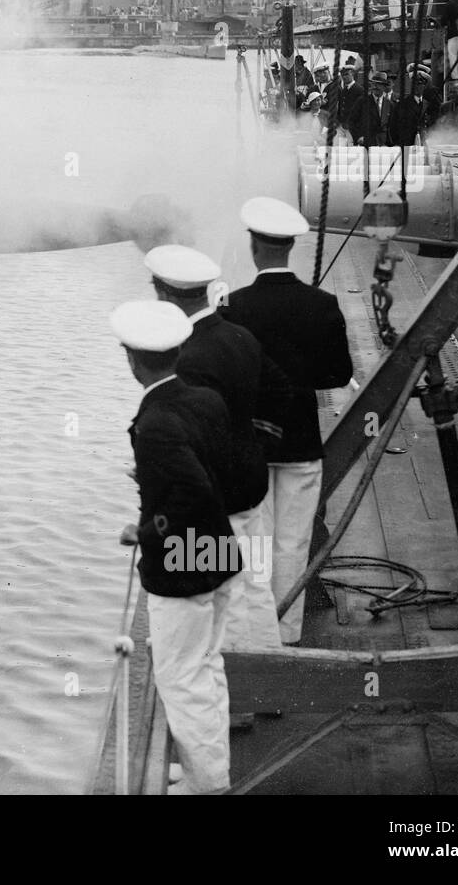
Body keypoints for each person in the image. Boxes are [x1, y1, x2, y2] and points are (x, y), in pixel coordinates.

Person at [112, 299, 240, 793]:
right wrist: (155, 476)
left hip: (181, 566)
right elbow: (216, 471)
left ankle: (208, 787)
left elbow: (191, 492)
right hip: (217, 552)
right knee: (206, 666)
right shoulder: (206, 399)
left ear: (133, 360)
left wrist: (143, 531)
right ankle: (206, 769)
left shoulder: (155, 423)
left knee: (181, 679)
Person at [221, 198, 355, 646]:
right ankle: (287, 637)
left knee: (252, 546)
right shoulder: (322, 304)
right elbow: (338, 374)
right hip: (300, 442)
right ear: (290, 248)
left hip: (250, 447)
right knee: (292, 545)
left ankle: (254, 638)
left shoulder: (232, 308)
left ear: (255, 248)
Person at [144, 245, 287, 652]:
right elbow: (280, 389)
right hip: (252, 483)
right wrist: (255, 444)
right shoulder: (238, 335)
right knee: (257, 584)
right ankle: (271, 682)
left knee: (230, 592)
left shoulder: (186, 358)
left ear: (165, 295)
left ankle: (242, 696)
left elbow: (194, 432)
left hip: (219, 496)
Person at [387, 70, 438, 147]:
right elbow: (393, 126)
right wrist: (397, 143)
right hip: (406, 144)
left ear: (424, 86)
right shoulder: (402, 104)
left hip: (423, 143)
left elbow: (432, 124)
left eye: (419, 84)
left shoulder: (427, 104)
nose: (416, 87)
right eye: (414, 84)